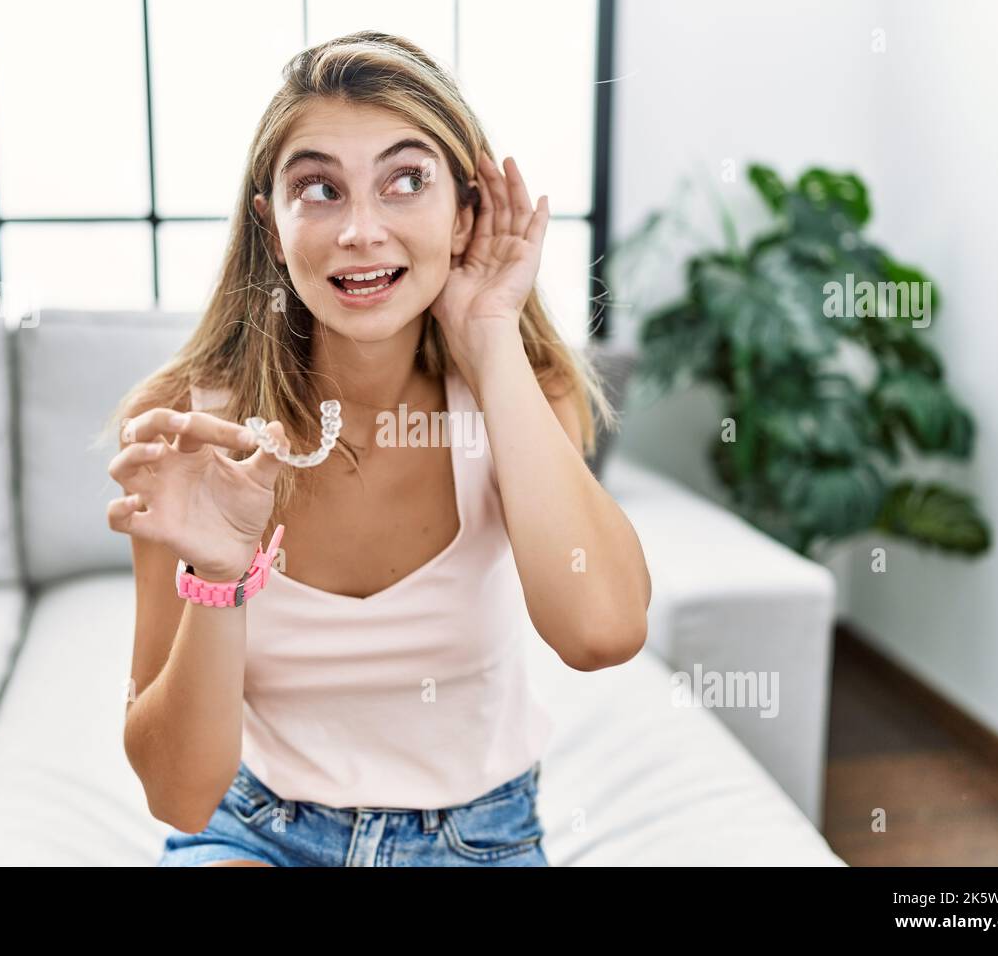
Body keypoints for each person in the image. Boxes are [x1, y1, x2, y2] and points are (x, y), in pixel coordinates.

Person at [101, 31, 651, 867]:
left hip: (478, 837)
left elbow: (603, 632)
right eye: (319, 189)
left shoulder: (526, 389)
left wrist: (492, 340)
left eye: (406, 181)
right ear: (271, 225)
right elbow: (181, 795)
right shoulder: (189, 422)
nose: (361, 229)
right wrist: (219, 576)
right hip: (254, 831)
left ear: (464, 211)